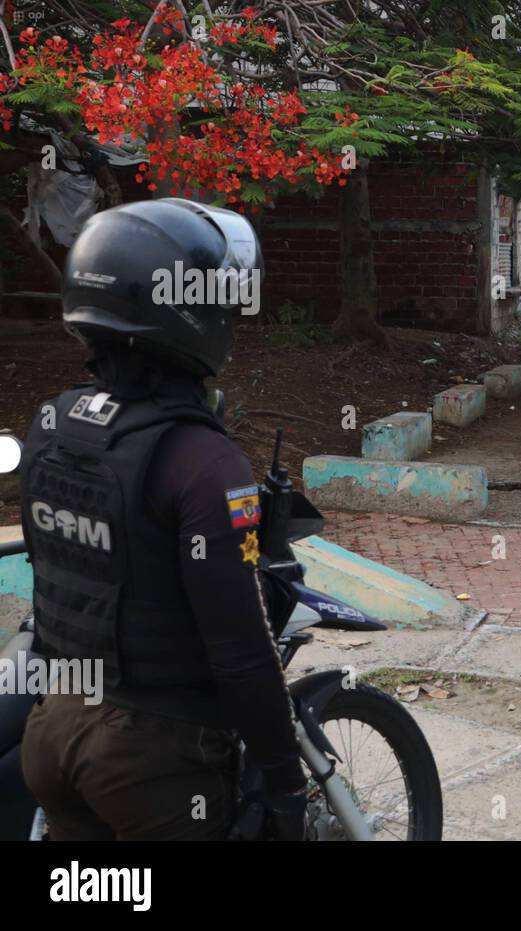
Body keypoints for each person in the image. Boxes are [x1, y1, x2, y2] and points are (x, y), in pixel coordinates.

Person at [19, 198, 307, 840]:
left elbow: (57, 578)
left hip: (54, 735)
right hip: (149, 760)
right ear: (191, 318)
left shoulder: (50, 428)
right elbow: (240, 652)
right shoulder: (205, 462)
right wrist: (285, 785)